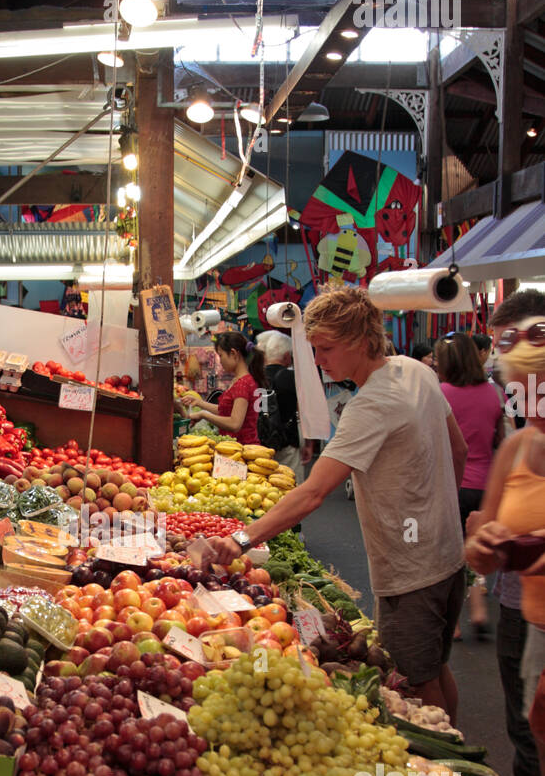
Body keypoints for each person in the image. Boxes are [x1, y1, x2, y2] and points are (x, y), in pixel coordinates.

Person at [203, 284, 468, 718]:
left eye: (326, 349)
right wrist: (440, 512)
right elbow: (459, 451)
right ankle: (459, 746)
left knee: (416, 682)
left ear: (363, 342)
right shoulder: (415, 371)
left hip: (409, 570)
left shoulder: (371, 405)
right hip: (447, 554)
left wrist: (242, 539)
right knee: (436, 668)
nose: (320, 361)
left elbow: (312, 493)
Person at [465, 290, 545, 776]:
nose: (530, 407)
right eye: (522, 393)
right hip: (534, 626)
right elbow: (478, 554)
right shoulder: (518, 446)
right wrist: (487, 542)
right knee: (531, 734)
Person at [435, 331, 505, 638]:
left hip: (452, 482)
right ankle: (477, 607)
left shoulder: (441, 393)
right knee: (475, 547)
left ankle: (455, 623)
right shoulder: (493, 393)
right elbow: (500, 440)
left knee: (449, 554)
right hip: (486, 484)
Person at [188, 331, 284, 448]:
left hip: (242, 450)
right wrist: (199, 403)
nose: (221, 361)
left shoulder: (243, 384)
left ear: (233, 353)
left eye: (221, 355)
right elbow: (225, 410)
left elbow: (235, 423)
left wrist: (204, 415)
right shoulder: (240, 380)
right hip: (235, 448)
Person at [257, 330, 314, 483]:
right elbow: (302, 411)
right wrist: (308, 443)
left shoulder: (256, 376)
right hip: (288, 442)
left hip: (261, 442)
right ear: (286, 355)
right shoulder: (291, 377)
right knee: (290, 483)